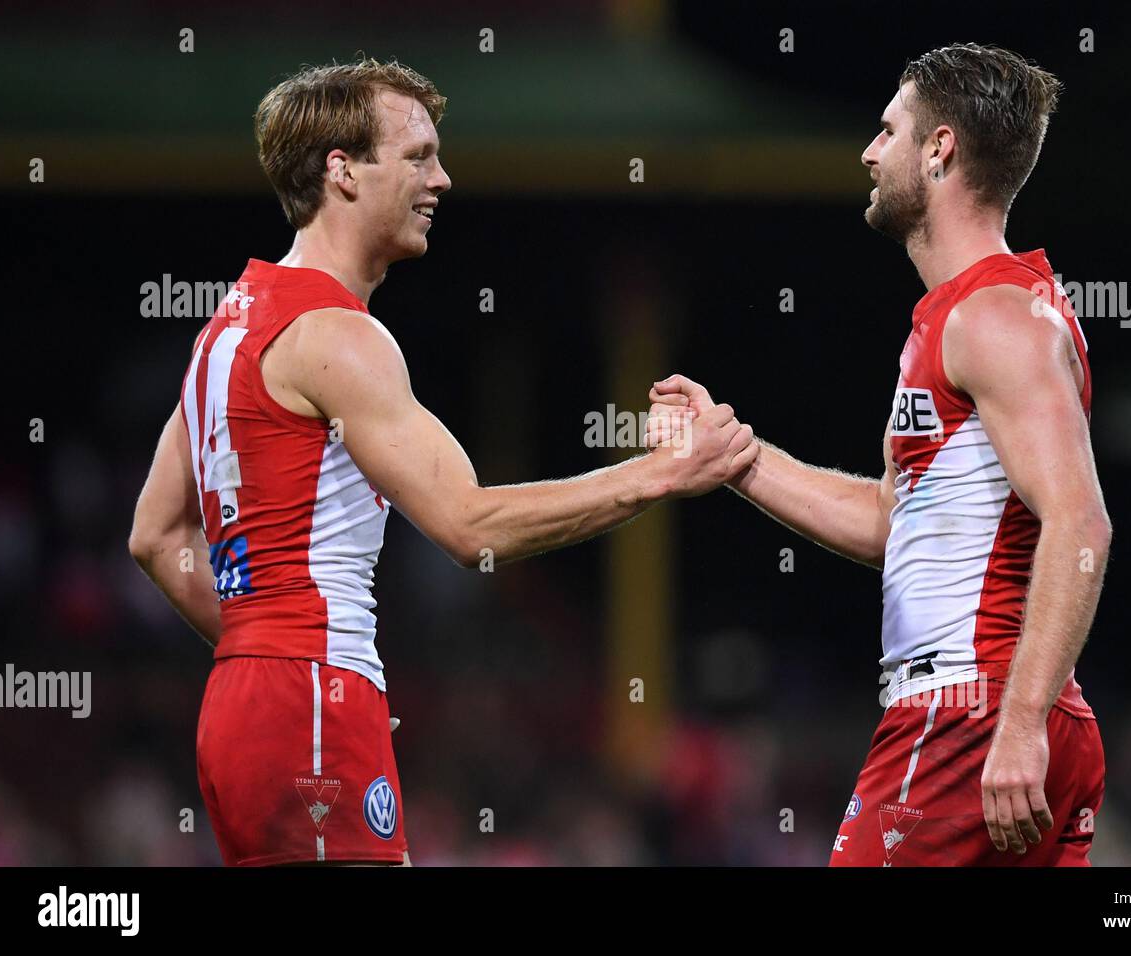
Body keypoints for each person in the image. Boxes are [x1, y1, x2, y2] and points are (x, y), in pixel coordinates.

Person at [128, 57, 758, 866]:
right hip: (307, 693)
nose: (444, 179)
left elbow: (153, 535)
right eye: (419, 155)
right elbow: (470, 524)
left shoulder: (224, 329)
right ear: (342, 171)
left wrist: (270, 661)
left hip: (245, 702)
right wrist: (659, 472)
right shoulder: (339, 337)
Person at [647, 44, 1110, 866]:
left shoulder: (992, 318)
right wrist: (736, 456)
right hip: (1000, 711)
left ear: (939, 150)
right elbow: (890, 521)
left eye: (888, 130)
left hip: (970, 714)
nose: (868, 151)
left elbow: (1079, 521)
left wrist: (1020, 721)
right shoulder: (965, 318)